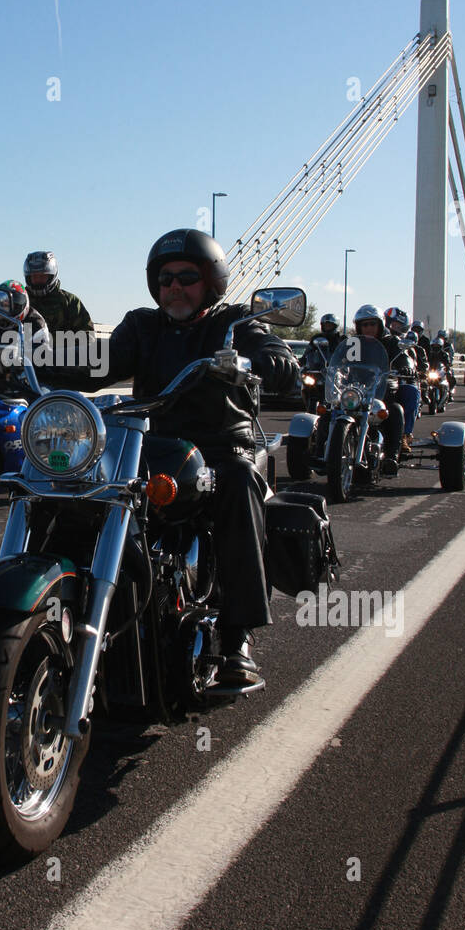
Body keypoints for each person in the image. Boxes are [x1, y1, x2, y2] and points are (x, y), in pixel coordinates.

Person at [41, 228, 300, 689]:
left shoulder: (235, 323)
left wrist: (266, 363)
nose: (174, 287)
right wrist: (31, 357)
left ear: (210, 281)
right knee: (71, 487)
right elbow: (98, 363)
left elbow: (274, 354)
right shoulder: (142, 325)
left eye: (186, 277)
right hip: (149, 447)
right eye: (165, 279)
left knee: (239, 482)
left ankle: (237, 636)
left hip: (220, 446)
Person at [350, 304, 405, 474]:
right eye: (364, 325)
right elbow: (342, 362)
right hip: (357, 388)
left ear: (380, 325)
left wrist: (406, 366)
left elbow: (403, 357)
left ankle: (392, 456)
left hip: (382, 389)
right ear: (359, 327)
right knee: (330, 409)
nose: (368, 328)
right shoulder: (354, 344)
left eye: (372, 324)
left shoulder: (391, 341)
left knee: (395, 410)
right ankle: (321, 450)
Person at [23, 251, 94, 336]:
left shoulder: (69, 302)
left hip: (61, 349)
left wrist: (60, 345)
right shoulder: (20, 301)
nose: (38, 280)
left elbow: (88, 335)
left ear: (51, 276)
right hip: (22, 349)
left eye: (42, 276)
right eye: (34, 277)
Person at [383, 307, 423, 454]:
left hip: (394, 382)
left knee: (411, 391)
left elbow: (409, 360)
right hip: (369, 382)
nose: (394, 328)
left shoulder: (405, 345)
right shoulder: (367, 341)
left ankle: (404, 434)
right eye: (392, 324)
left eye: (399, 326)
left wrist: (408, 368)